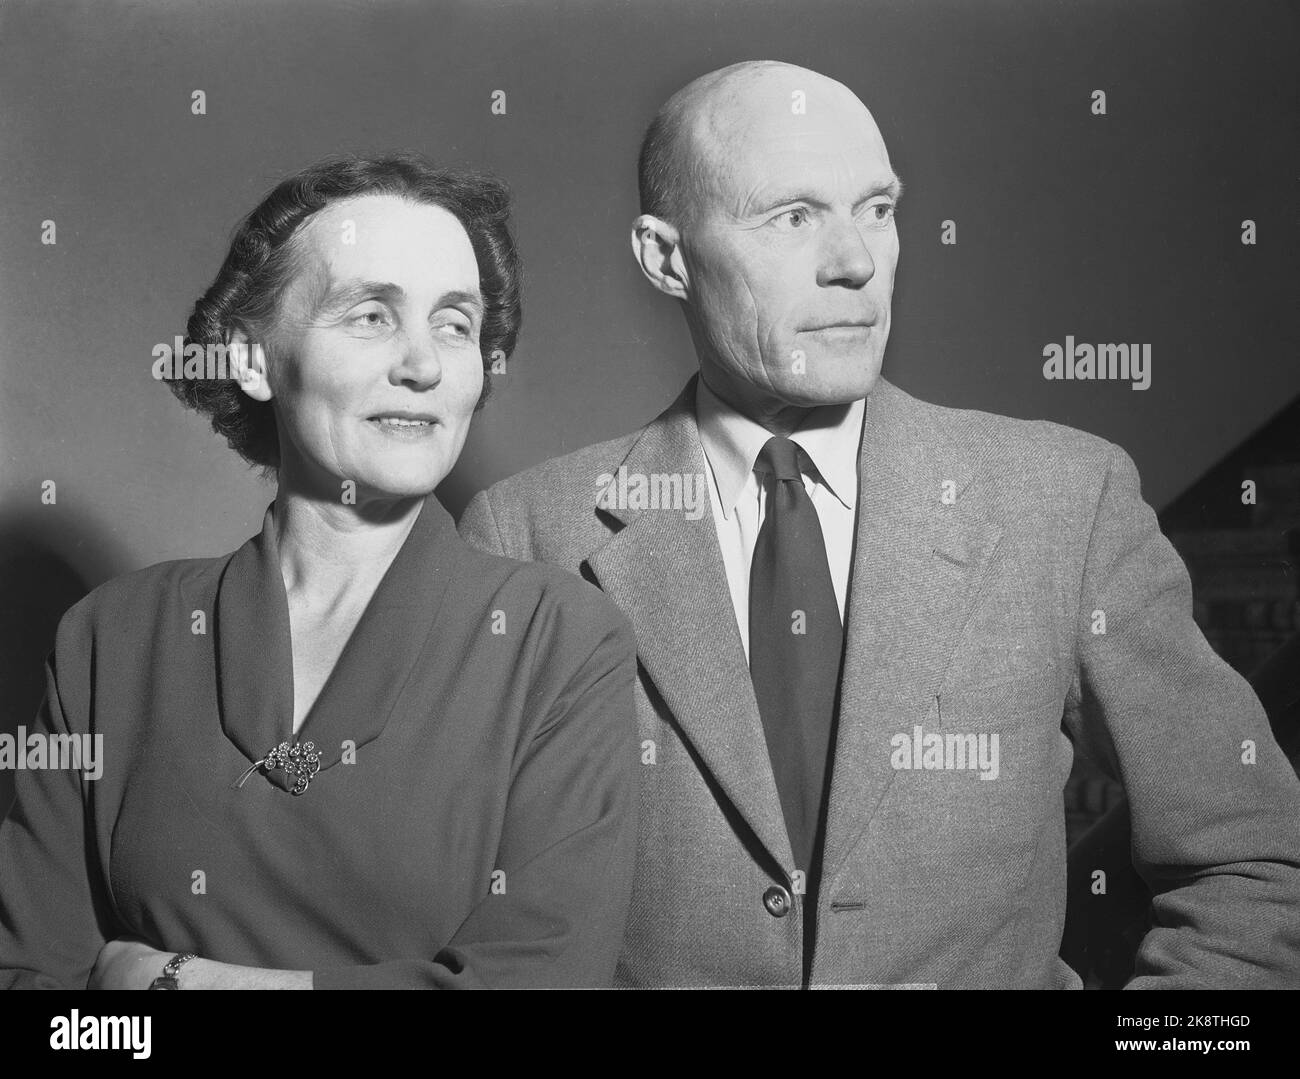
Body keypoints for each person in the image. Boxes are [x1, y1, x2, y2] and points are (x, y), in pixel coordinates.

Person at [458, 61, 1300, 988]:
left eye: (878, 209)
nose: (855, 260)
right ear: (665, 257)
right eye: (794, 216)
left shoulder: (1064, 498)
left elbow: (1254, 857)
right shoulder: (527, 530)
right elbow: (438, 881)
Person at [0, 153, 639, 989]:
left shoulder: (563, 643)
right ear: (253, 360)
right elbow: (37, 998)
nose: (425, 363)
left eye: (455, 323)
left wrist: (170, 981)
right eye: (372, 315)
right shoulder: (110, 637)